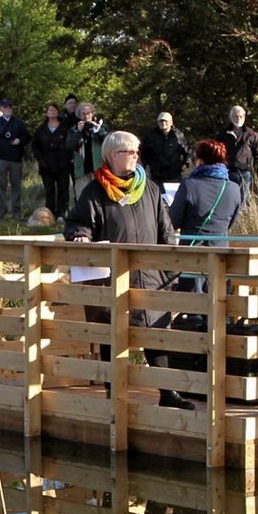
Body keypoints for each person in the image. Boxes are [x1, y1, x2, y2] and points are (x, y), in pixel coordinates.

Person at [63, 130, 191, 409]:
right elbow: (77, 223)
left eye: (136, 152)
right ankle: (114, 395)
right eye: (128, 152)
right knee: (111, 335)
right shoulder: (95, 190)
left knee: (156, 334)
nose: (135, 156)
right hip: (112, 278)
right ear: (111, 155)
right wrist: (80, 236)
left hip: (151, 277)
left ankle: (169, 394)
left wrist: (170, 268)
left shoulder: (150, 188)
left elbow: (166, 231)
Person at [169, 138, 242, 246]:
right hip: (221, 253)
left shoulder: (188, 185)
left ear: (200, 160)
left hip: (192, 252)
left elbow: (173, 222)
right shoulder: (235, 188)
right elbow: (230, 223)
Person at [0, 98, 29, 220]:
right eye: (5, 107)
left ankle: (17, 213)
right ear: (1, 109)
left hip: (15, 160)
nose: (8, 109)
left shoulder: (19, 123)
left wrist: (20, 140)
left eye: (10, 107)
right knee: (1, 186)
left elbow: (27, 137)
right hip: (0, 159)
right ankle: (0, 213)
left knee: (16, 187)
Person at [33, 103, 73, 218]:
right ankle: (49, 214)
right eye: (49, 110)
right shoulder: (41, 129)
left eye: (54, 110)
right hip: (46, 165)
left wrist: (68, 158)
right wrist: (40, 158)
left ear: (57, 112)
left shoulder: (65, 127)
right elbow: (35, 145)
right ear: (46, 113)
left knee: (63, 189)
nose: (51, 112)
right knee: (49, 191)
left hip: (62, 164)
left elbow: (69, 144)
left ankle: (61, 213)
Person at [219, 105, 258, 205]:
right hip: (227, 172)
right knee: (228, 201)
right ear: (230, 117)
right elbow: (218, 152)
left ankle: (242, 220)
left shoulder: (251, 134)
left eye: (241, 116)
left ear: (244, 117)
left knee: (243, 201)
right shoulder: (223, 134)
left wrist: (254, 169)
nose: (238, 118)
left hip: (245, 173)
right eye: (235, 116)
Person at [139, 112, 190, 185]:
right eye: (161, 121)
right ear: (157, 122)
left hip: (175, 175)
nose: (163, 123)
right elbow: (144, 153)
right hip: (156, 176)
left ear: (171, 122)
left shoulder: (178, 135)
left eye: (165, 121)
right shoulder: (150, 136)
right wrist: (144, 168)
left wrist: (186, 164)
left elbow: (187, 151)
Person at [68, 101, 106, 196]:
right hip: (82, 172)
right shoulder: (74, 130)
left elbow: (107, 142)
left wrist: (97, 130)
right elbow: (70, 146)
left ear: (92, 114)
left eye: (88, 113)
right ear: (79, 115)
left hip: (98, 170)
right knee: (83, 199)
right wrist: (79, 132)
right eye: (83, 114)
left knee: (100, 198)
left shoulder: (100, 128)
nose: (86, 116)